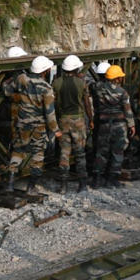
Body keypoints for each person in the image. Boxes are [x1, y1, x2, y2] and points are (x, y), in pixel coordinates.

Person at [3, 56, 61, 195]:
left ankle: (10, 184)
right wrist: (55, 130)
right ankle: (31, 187)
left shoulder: (22, 79)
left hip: (22, 123)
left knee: (18, 151)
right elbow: (49, 112)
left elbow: (6, 90)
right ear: (45, 71)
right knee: (38, 155)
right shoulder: (46, 88)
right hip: (38, 126)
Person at [52, 55, 93, 193]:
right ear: (76, 68)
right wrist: (91, 119)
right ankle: (82, 185)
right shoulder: (82, 83)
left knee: (64, 153)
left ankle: (63, 186)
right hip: (78, 121)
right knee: (80, 153)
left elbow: (54, 103)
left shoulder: (56, 83)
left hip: (63, 120)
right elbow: (86, 103)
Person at [92, 65, 135, 188]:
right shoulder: (122, 93)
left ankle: (97, 179)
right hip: (119, 125)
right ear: (117, 78)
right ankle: (112, 179)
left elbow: (90, 86)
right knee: (117, 151)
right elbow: (128, 111)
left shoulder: (97, 88)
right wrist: (132, 125)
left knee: (101, 151)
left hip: (103, 124)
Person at [0, 46, 28, 158]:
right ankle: (12, 166)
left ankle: (5, 162)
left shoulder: (4, 73)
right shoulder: (17, 75)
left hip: (5, 112)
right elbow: (9, 93)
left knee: (5, 140)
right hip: (11, 114)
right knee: (13, 141)